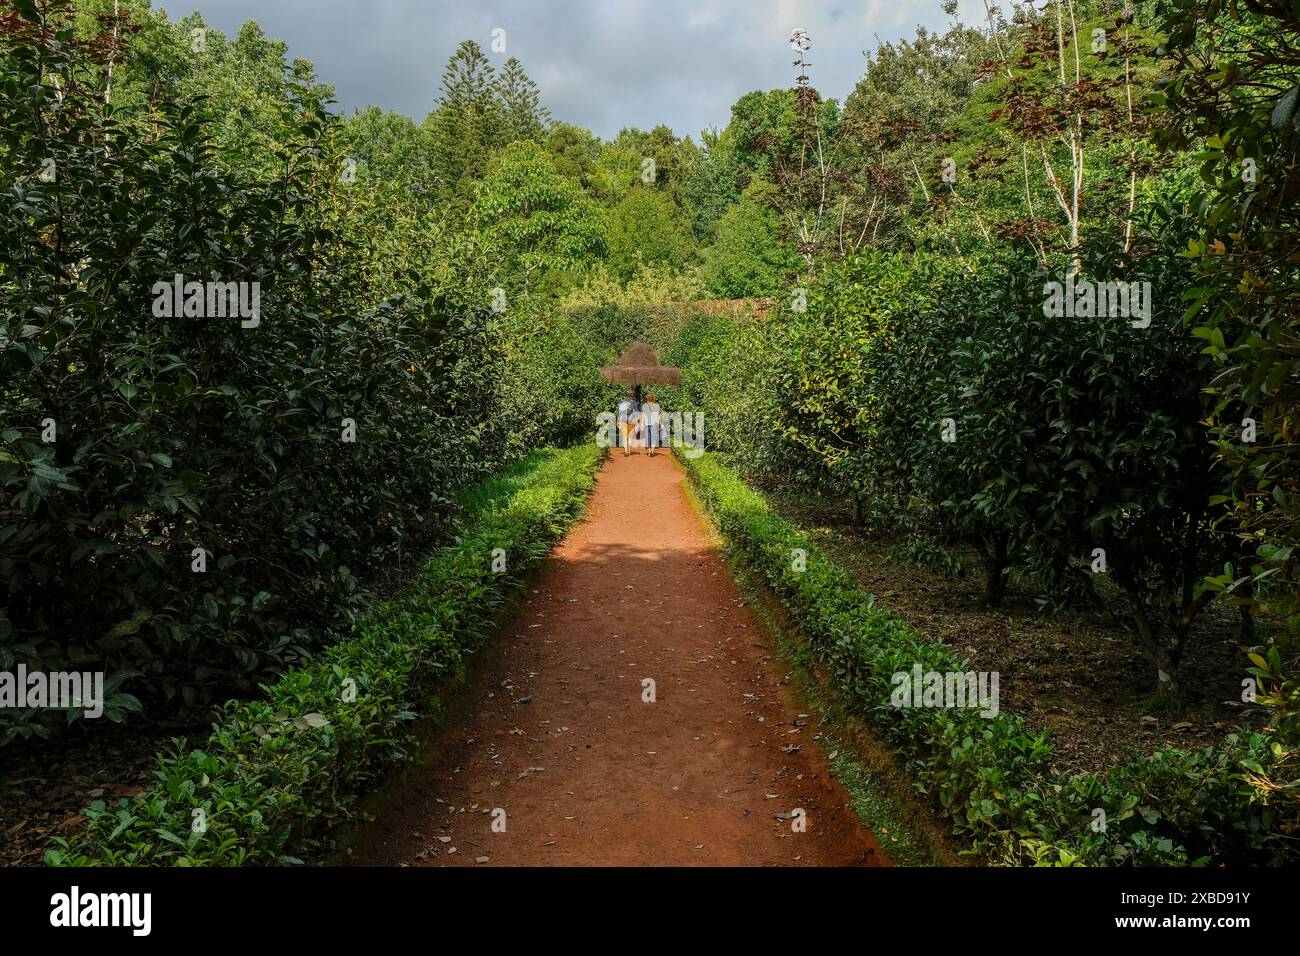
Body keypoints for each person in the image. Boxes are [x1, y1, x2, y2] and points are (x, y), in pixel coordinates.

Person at [616, 391, 639, 456]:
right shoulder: (633, 402)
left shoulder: (621, 402)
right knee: (629, 436)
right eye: (629, 395)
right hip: (630, 421)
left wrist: (617, 420)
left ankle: (626, 450)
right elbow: (636, 413)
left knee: (625, 436)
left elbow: (619, 412)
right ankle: (627, 450)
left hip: (624, 420)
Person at [642, 392, 662, 456]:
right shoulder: (657, 405)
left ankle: (649, 451)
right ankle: (652, 450)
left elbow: (643, 415)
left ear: (647, 399)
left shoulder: (644, 405)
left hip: (647, 423)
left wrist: (642, 423)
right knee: (653, 437)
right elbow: (658, 415)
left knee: (648, 437)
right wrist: (661, 423)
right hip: (654, 423)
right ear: (653, 398)